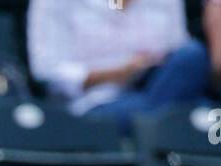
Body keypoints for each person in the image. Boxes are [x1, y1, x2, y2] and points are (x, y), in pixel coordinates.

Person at [26, 0, 210, 133]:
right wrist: (120, 73)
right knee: (192, 121)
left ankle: (163, 123)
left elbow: (178, 56)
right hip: (94, 101)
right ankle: (163, 125)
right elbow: (47, 71)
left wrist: (152, 65)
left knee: (192, 54)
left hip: (159, 88)